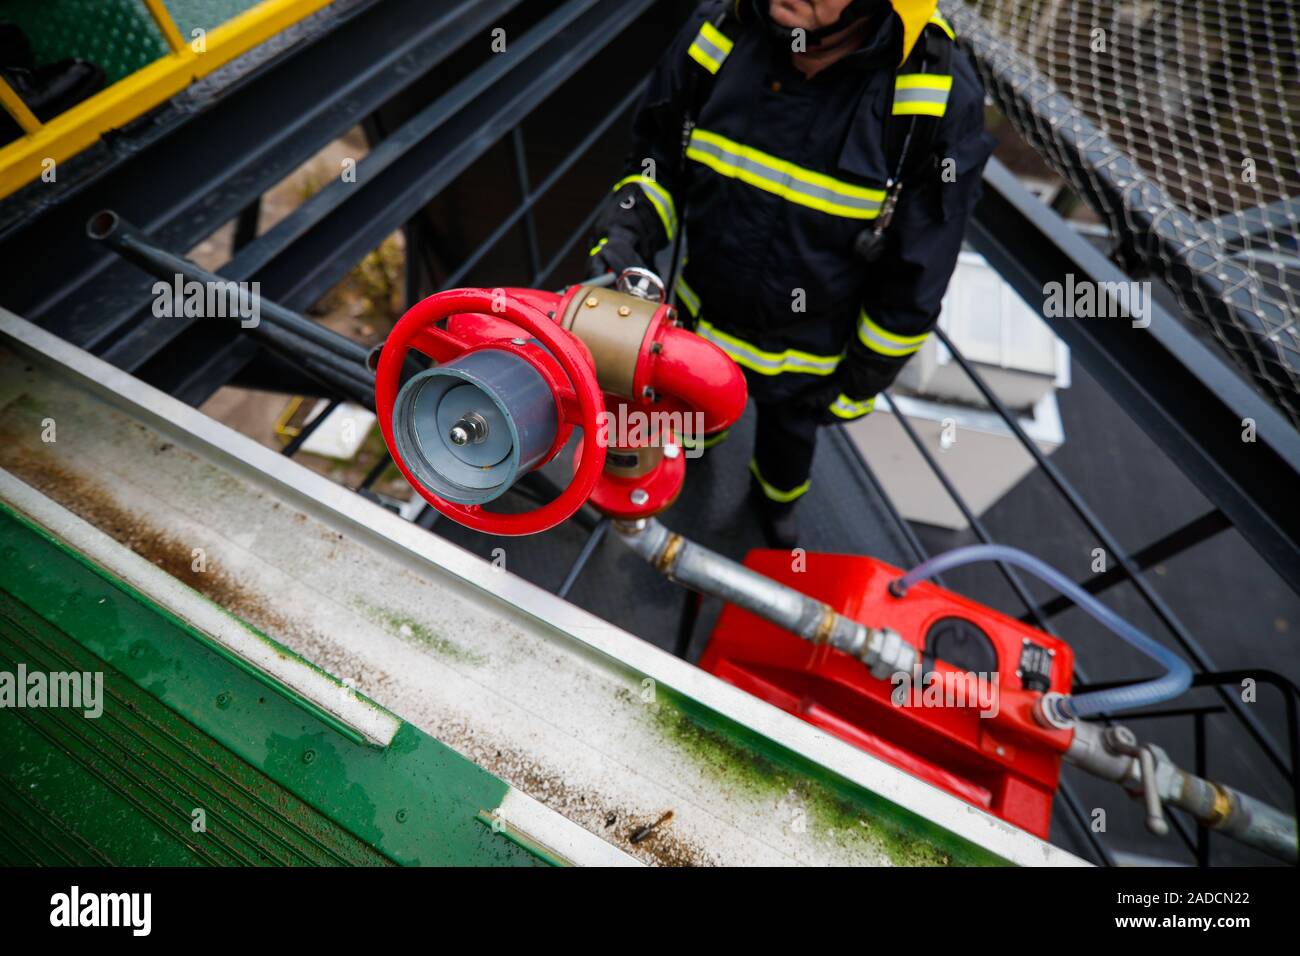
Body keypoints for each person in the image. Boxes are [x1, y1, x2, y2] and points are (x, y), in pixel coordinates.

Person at [589, 0, 994, 547]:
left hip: (808, 368)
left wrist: (858, 383)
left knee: (782, 471)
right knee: (686, 435)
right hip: (694, 332)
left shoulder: (935, 96)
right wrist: (624, 235)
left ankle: (770, 516)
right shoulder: (718, 32)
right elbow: (657, 158)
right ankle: (691, 462)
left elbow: (917, 272)